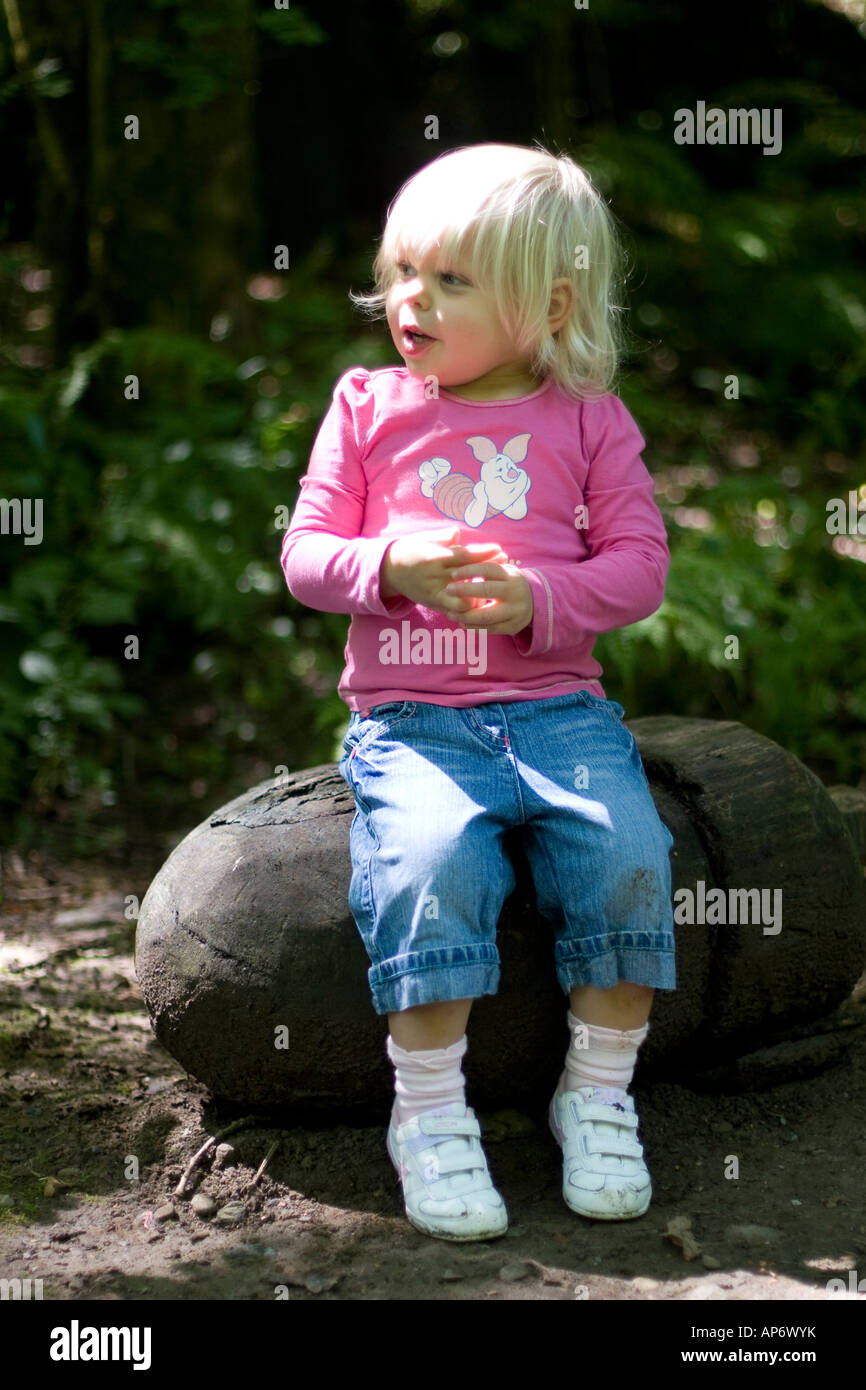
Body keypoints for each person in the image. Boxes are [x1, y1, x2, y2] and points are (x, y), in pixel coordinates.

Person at [280, 142, 676, 1243]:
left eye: (450, 281)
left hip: (558, 711)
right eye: (404, 271)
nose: (411, 300)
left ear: (546, 304)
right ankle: (430, 1112)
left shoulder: (588, 417)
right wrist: (388, 566)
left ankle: (596, 1093)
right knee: (430, 862)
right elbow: (307, 557)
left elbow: (638, 569)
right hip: (411, 723)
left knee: (626, 855)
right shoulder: (366, 406)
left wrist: (538, 598)